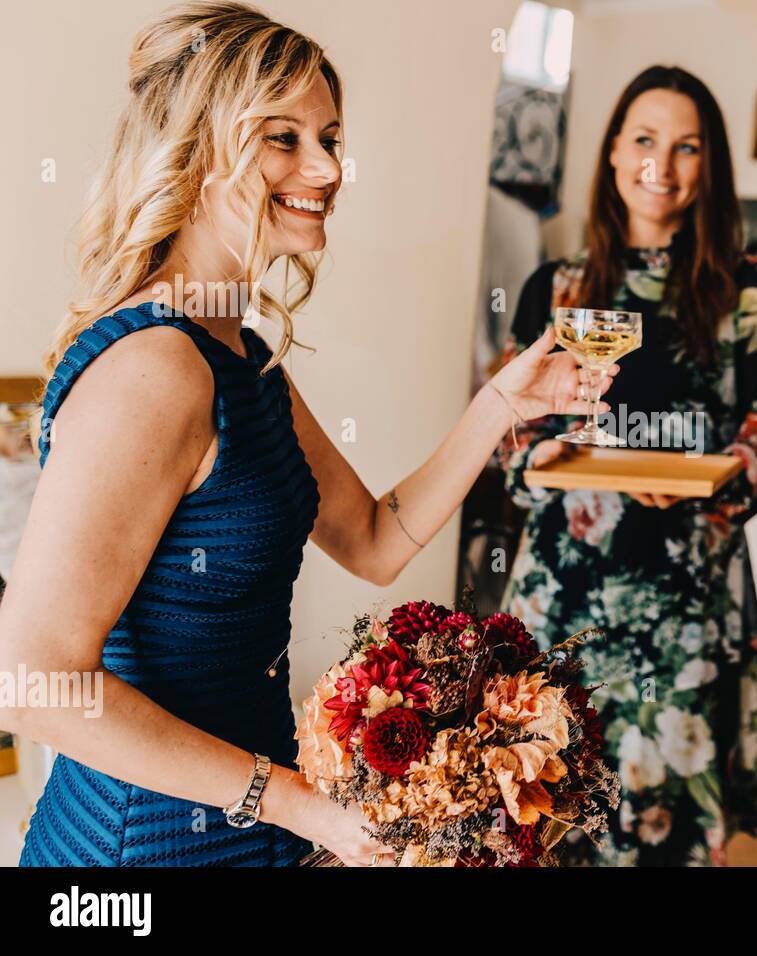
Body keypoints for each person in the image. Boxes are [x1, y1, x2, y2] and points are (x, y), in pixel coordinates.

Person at [0, 1, 609, 867]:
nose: (326, 166)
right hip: (141, 850)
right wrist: (295, 801)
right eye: (283, 138)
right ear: (197, 150)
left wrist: (499, 408)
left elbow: (371, 540)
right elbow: (34, 684)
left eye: (329, 135)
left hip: (251, 826)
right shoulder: (157, 369)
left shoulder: (238, 354)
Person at [498, 66, 757, 865]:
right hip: (561, 595)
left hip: (686, 604)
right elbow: (507, 441)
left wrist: (712, 479)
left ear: (711, 166)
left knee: (663, 830)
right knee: (539, 814)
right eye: (643, 139)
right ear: (610, 153)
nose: (660, 164)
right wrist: (549, 458)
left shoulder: (751, 292)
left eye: (686, 146)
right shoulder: (555, 290)